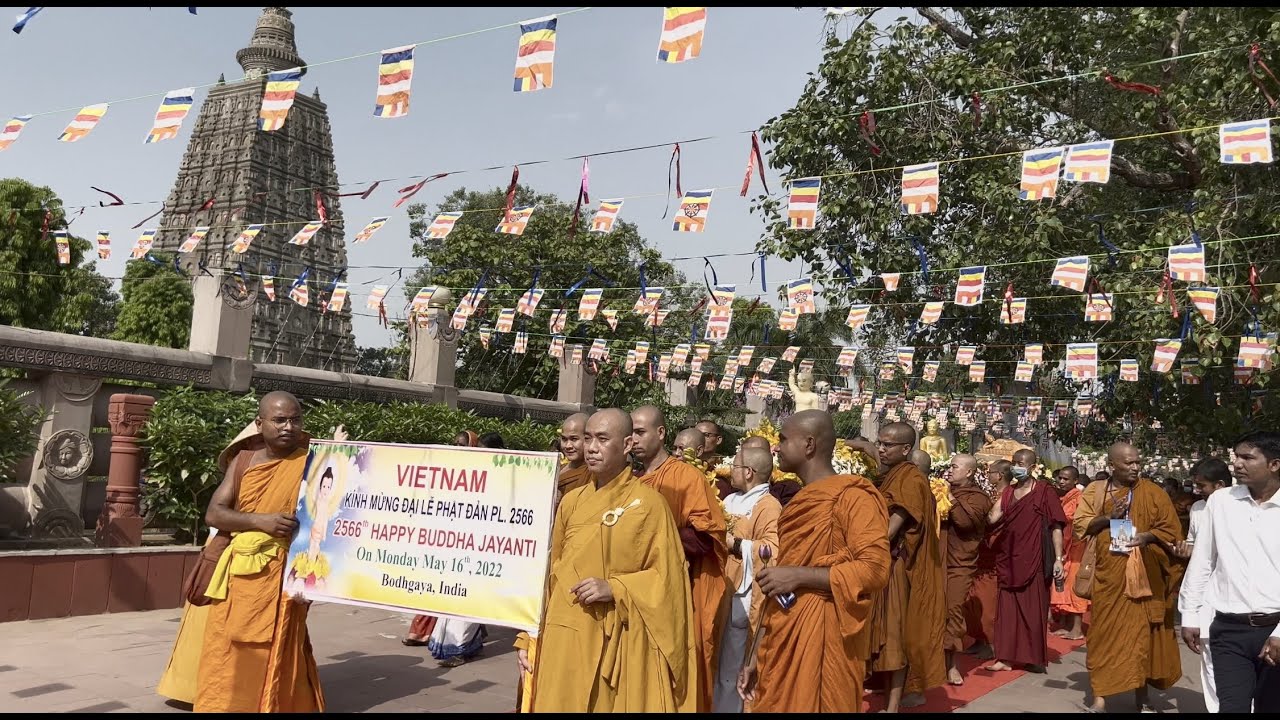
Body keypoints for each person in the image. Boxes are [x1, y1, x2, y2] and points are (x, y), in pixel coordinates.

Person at [516, 408, 696, 712]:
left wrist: (617, 588)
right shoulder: (571, 502)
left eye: (602, 439)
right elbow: (548, 573)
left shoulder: (649, 505)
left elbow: (668, 580)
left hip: (615, 639)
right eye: (588, 438)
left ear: (626, 445)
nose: (591, 448)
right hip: (564, 631)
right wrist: (529, 637)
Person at [737, 410, 890, 712]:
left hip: (825, 635)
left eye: (782, 439)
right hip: (785, 635)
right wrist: (756, 655)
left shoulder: (851, 496)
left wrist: (800, 576)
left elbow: (875, 569)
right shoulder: (801, 501)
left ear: (808, 445)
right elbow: (781, 586)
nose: (775, 447)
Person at [195, 392, 324, 713]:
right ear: (259, 423)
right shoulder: (243, 462)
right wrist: (259, 521)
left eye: (295, 420)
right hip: (237, 575)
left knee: (278, 645)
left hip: (285, 572)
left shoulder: (312, 463)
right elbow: (214, 513)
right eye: (279, 420)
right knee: (228, 646)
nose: (288, 427)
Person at [632, 405, 728, 712]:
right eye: (630, 433)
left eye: (640, 432)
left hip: (673, 591)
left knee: (670, 676)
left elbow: (706, 536)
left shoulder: (686, 477)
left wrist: (658, 537)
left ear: (660, 434)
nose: (632, 439)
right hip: (630, 592)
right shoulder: (629, 479)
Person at [1074, 442, 1182, 713]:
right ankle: (1100, 698)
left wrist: (1146, 536)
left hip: (1144, 577)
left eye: (1137, 462)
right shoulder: (1096, 490)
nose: (1135, 467)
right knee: (1102, 637)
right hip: (1109, 579)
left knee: (1141, 638)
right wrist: (1108, 517)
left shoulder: (1153, 493)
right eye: (1128, 463)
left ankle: (1141, 696)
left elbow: (1170, 530)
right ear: (1112, 465)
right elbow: (1080, 525)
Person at [1180, 434, 1280, 714]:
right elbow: (1202, 562)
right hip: (1228, 630)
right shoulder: (1221, 502)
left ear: (1274, 464)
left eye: (1248, 458)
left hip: (1275, 628)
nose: (1237, 464)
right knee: (1231, 706)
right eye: (1236, 456)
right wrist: (1190, 614)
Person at [867, 421, 946, 712]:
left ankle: (894, 704)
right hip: (882, 563)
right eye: (880, 443)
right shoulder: (891, 475)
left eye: (888, 445)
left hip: (896, 566)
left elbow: (890, 529)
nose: (882, 449)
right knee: (884, 633)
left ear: (906, 449)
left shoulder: (910, 479)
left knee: (894, 636)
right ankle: (889, 695)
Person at [984, 449, 1066, 673]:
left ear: (1032, 467)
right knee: (1007, 609)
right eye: (1013, 463)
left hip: (1035, 559)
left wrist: (1059, 559)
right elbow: (992, 517)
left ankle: (1032, 657)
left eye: (1020, 463)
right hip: (1009, 557)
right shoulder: (1008, 493)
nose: (1015, 467)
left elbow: (1056, 526)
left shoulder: (1043, 492)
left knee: (1033, 608)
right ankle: (1005, 658)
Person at [713, 446, 781, 712]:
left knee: (732, 665)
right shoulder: (730, 500)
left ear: (749, 472)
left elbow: (772, 552)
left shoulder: (767, 506)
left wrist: (735, 544)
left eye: (735, 465)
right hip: (723, 589)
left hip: (744, 596)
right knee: (717, 659)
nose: (730, 468)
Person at [428, 432, 504, 667]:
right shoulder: (467, 471)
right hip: (459, 543)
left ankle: (459, 650)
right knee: (452, 595)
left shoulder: (503, 476)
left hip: (483, 547)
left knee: (470, 598)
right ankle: (469, 643)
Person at [403, 429, 482, 648]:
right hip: (439, 539)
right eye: (454, 444)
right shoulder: (441, 470)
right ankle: (421, 631)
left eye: (462, 446)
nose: (457, 449)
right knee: (429, 585)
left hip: (464, 542)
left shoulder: (479, 472)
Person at [1174, 457, 1232, 713]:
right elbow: (1193, 542)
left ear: (1220, 485)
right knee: (1209, 654)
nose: (1197, 491)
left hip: (1235, 593)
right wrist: (1183, 549)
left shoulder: (1240, 506)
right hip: (1203, 591)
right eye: (1195, 485)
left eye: (1202, 486)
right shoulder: (1197, 508)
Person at [941, 453, 992, 686]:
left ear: (969, 472)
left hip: (959, 564)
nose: (950, 470)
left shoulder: (978, 498)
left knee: (952, 611)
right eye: (950, 466)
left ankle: (951, 665)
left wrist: (949, 497)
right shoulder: (945, 490)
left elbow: (964, 523)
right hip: (936, 561)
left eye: (954, 467)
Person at [964, 461, 1011, 660]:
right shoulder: (990, 495)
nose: (988, 475)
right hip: (979, 552)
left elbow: (995, 521)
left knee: (987, 600)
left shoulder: (1008, 497)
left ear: (999, 475)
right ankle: (979, 638)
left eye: (990, 472)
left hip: (994, 556)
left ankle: (991, 643)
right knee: (973, 599)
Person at [1050, 465, 1089, 641]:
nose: (1061, 481)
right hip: (1065, 547)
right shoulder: (1063, 497)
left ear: (1075, 481)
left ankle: (1077, 629)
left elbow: (1076, 521)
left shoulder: (1080, 498)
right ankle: (1067, 625)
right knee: (1063, 585)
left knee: (1075, 587)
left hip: (1077, 549)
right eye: (1060, 478)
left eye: (1066, 479)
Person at [555, 413, 592, 503]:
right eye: (564, 439)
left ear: (588, 439)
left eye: (574, 439)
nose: (568, 446)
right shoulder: (559, 468)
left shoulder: (592, 473)